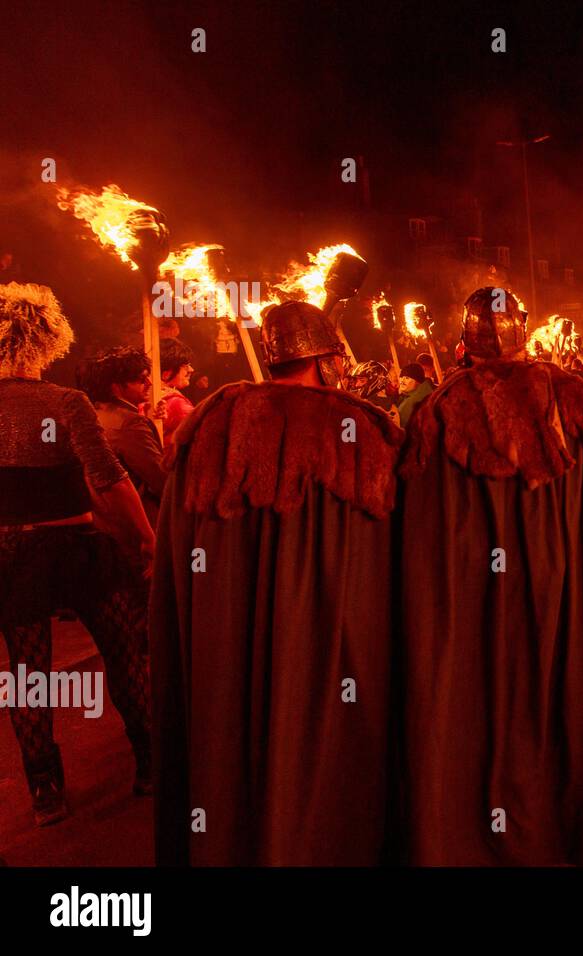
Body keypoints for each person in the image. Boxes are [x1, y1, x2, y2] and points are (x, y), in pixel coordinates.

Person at [150, 301, 403, 864]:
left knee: (234, 736)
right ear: (326, 358)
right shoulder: (358, 430)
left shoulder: (208, 428)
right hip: (329, 646)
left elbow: (177, 550)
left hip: (227, 639)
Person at [397, 287, 583, 864]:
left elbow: (419, 517)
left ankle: (466, 832)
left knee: (472, 698)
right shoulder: (574, 395)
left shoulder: (437, 408)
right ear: (524, 328)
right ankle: (562, 831)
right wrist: (577, 555)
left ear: (466, 339)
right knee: (555, 690)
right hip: (556, 579)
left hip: (470, 591)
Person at [0, 283, 154, 826]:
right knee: (125, 651)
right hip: (76, 549)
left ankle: (45, 791)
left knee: (28, 673)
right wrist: (146, 537)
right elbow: (109, 477)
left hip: (12, 553)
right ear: (48, 339)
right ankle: (151, 764)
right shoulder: (67, 401)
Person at [77, 346, 166, 523]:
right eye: (141, 379)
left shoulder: (92, 414)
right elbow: (160, 478)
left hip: (103, 519)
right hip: (140, 521)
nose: (149, 383)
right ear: (116, 386)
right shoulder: (130, 424)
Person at [142, 337, 196, 446]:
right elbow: (204, 432)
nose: (191, 370)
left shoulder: (142, 397)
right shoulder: (176, 404)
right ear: (166, 373)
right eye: (185, 366)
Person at [395, 362, 434, 428]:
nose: (402, 381)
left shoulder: (410, 403)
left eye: (407, 378)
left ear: (417, 381)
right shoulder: (408, 396)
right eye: (401, 377)